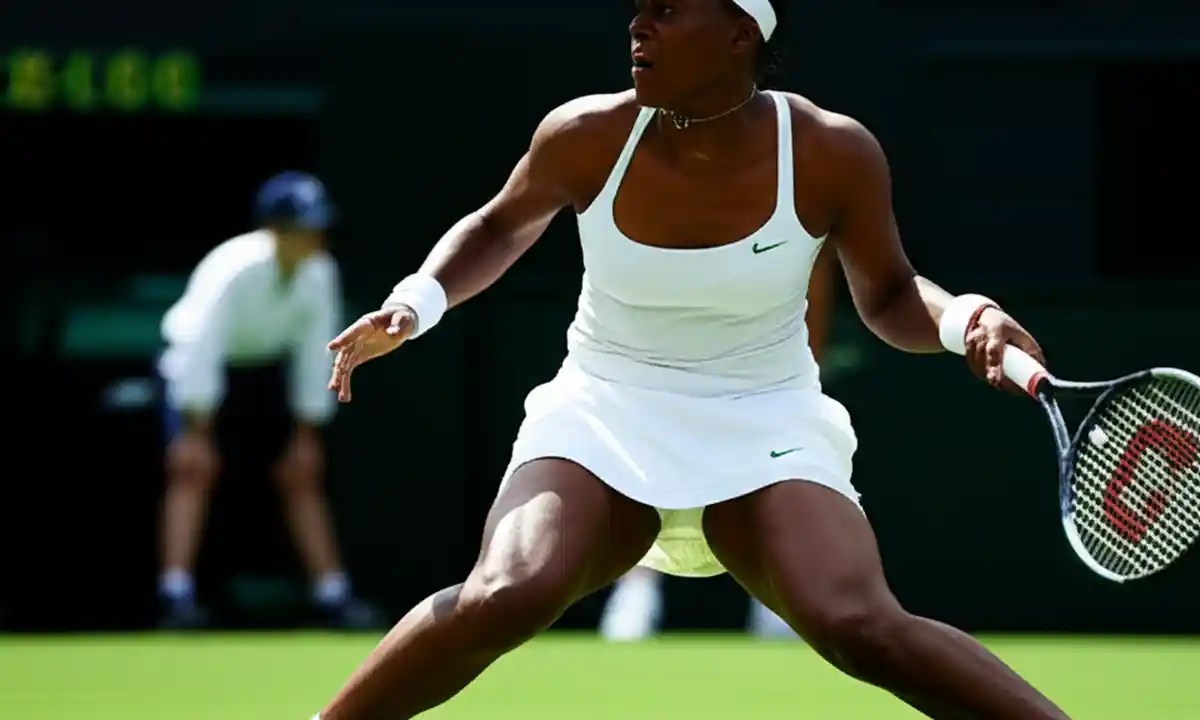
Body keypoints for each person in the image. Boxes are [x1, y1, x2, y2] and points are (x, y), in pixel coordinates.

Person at [319, 1, 1069, 718]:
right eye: (640, 9)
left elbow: (892, 294)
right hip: (603, 408)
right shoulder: (584, 133)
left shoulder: (830, 150)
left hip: (764, 417)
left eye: (668, 10)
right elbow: (497, 227)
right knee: (504, 592)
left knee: (857, 621)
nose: (637, 26)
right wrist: (414, 304)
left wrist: (968, 318)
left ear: (740, 34)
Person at [155, 171, 378, 630]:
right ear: (273, 229)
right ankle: (175, 595)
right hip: (196, 371)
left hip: (263, 374)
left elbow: (319, 354)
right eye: (301, 227)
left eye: (317, 227)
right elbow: (199, 346)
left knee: (301, 475)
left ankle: (332, 595)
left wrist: (306, 433)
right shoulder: (233, 267)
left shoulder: (320, 272)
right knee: (193, 471)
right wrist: (196, 431)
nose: (313, 237)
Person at [597, 243, 835, 641]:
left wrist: (800, 373)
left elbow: (818, 283)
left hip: (765, 375)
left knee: (772, 476)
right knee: (646, 466)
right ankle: (635, 597)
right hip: (664, 369)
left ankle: (777, 599)